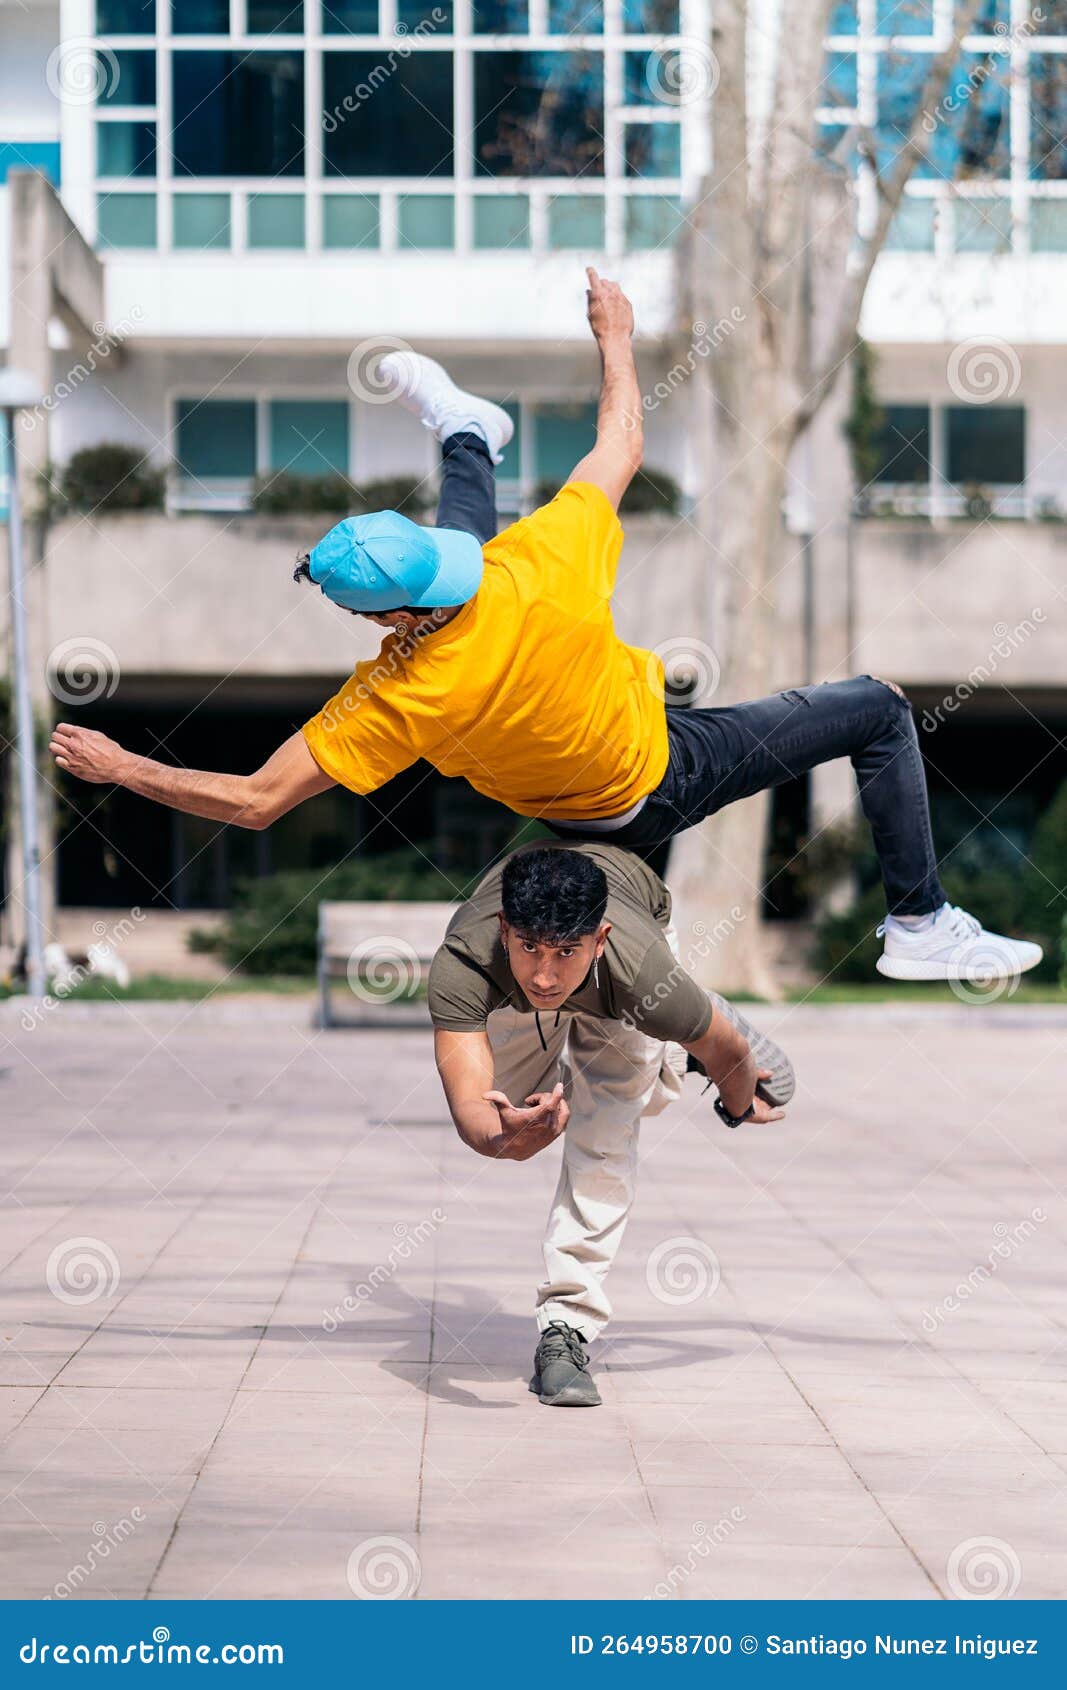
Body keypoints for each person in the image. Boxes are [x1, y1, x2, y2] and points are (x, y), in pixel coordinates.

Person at [49, 270, 1041, 985]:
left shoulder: (394, 692)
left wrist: (124, 767)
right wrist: (615, 336)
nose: (464, 560)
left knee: (470, 545)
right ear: (399, 607)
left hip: (589, 802)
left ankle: (465, 428)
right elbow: (622, 439)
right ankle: (917, 921)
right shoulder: (538, 562)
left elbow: (257, 800)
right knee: (877, 708)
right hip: (656, 770)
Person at [427, 840, 795, 1406]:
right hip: (516, 999)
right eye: (529, 947)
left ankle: (566, 1328)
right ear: (503, 930)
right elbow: (473, 1113)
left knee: (609, 1131)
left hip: (628, 983)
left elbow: (734, 1052)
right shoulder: (464, 964)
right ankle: (674, 1047)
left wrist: (738, 1105)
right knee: (514, 1103)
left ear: (598, 940)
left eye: (565, 952)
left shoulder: (647, 976)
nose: (545, 975)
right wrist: (507, 1136)